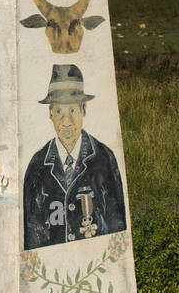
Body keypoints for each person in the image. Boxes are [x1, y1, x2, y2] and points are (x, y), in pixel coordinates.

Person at [23, 64, 126, 249]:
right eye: (59, 112)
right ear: (50, 113)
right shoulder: (38, 165)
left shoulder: (104, 158)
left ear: (84, 110)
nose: (66, 122)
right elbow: (32, 231)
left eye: (72, 111)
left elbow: (117, 223)